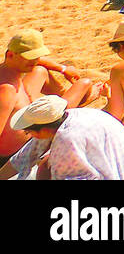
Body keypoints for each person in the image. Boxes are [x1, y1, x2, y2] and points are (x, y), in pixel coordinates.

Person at [1, 30, 105, 163]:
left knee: (40, 71)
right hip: (19, 150)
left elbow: (38, 62)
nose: (35, 61)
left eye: (36, 57)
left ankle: (65, 100)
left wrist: (63, 69)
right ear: (10, 55)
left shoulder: (9, 70)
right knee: (84, 83)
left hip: (27, 118)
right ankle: (71, 105)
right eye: (30, 58)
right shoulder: (6, 90)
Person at [0, 95, 124, 180]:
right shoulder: (73, 115)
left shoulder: (67, 139)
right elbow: (24, 156)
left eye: (29, 132)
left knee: (44, 166)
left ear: (43, 129)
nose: (30, 135)